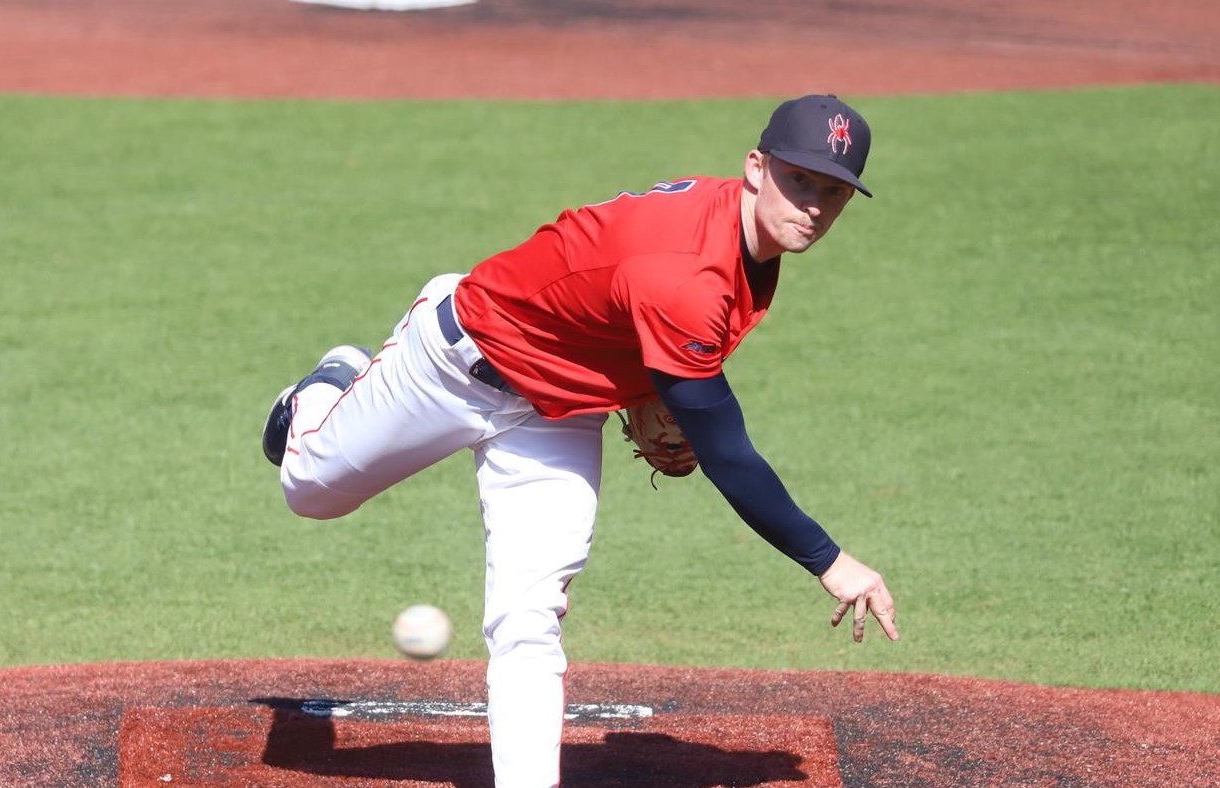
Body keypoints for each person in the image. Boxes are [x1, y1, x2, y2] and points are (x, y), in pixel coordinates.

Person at [261, 94, 899, 787]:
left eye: (832, 192)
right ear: (755, 167)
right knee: (307, 489)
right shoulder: (686, 270)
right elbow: (728, 454)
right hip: (455, 362)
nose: (812, 205)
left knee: (529, 617)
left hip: (558, 411)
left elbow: (619, 299)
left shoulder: (740, 238)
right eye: (798, 180)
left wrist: (644, 385)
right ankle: (329, 384)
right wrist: (829, 561)